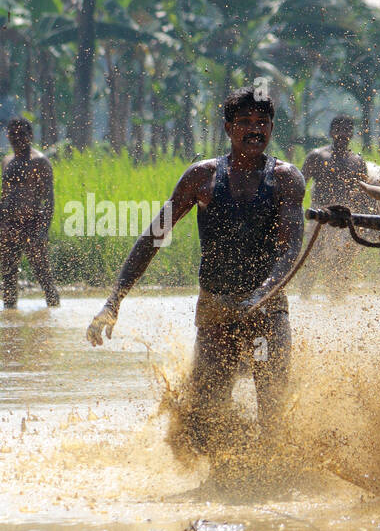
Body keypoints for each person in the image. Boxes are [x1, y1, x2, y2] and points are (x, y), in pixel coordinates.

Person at [86, 85, 305, 455]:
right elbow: (153, 239)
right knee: (206, 411)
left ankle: (271, 469)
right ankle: (223, 471)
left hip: (267, 308)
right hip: (217, 309)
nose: (255, 130)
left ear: (271, 128)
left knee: (272, 405)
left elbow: (290, 250)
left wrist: (263, 291)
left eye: (262, 123)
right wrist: (114, 301)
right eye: (245, 122)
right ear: (227, 128)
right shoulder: (201, 178)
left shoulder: (286, 179)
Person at [0, 117, 58, 308]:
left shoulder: (40, 162)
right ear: (8, 136)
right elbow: (3, 199)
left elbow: (49, 200)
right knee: (8, 280)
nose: (17, 138)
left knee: (44, 277)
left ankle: (53, 315)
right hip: (9, 226)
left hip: (33, 225)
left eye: (21, 134)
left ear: (30, 136)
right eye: (13, 134)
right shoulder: (7, 162)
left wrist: (43, 231)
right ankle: (10, 326)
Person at [300, 115, 370, 291]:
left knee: (341, 261)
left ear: (352, 134)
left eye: (347, 130)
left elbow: (362, 194)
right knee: (313, 256)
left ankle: (336, 299)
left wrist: (362, 223)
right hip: (319, 215)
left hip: (344, 220)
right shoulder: (317, 156)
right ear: (331, 132)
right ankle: (305, 295)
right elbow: (300, 185)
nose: (343, 134)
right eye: (339, 129)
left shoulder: (357, 161)